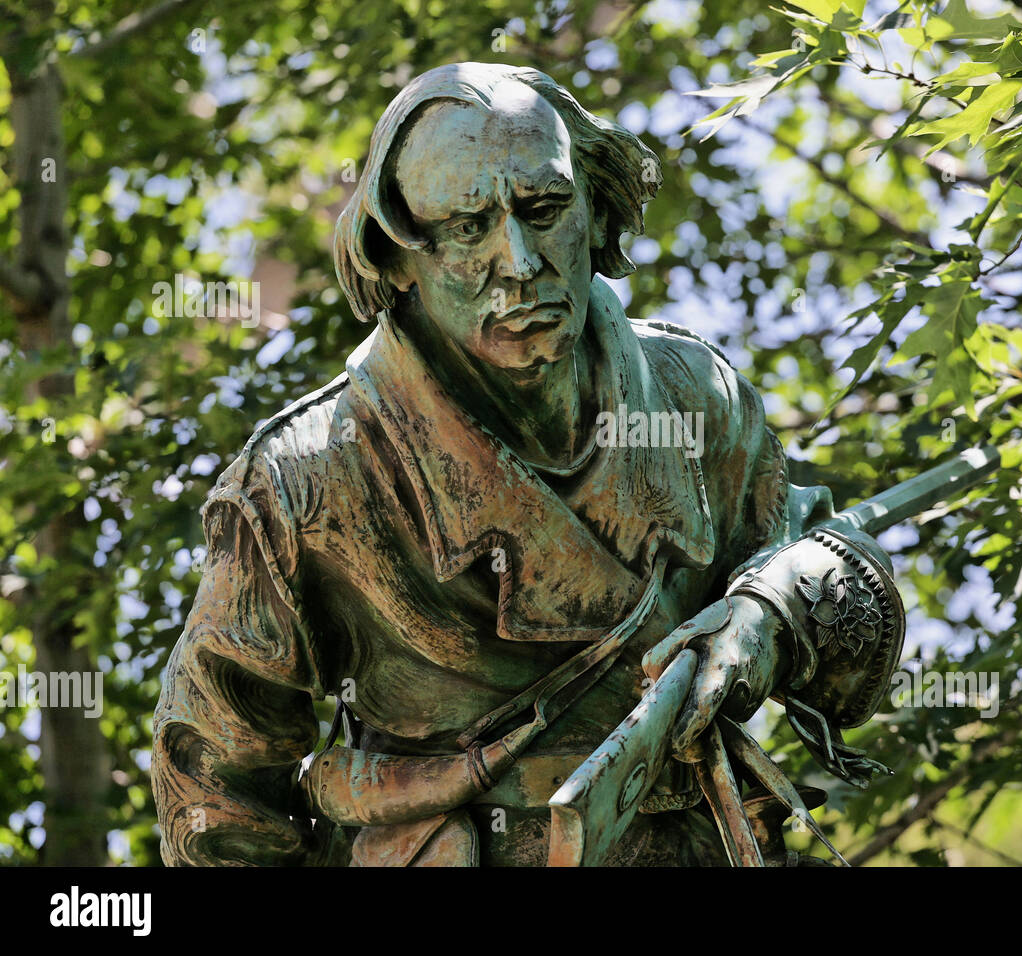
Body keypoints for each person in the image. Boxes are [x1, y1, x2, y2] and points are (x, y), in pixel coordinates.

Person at [152, 62, 904, 866]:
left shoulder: (697, 393)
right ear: (399, 257)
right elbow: (216, 798)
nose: (518, 261)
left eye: (544, 209)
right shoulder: (306, 480)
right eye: (468, 228)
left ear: (596, 207)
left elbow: (810, 558)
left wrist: (768, 621)